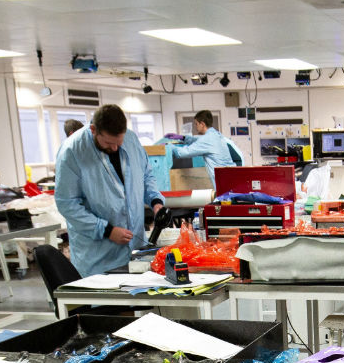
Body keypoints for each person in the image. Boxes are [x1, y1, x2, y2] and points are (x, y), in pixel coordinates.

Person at [54, 104, 164, 278]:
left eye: (118, 143)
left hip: (135, 249)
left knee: (139, 301)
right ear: (93, 130)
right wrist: (106, 230)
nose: (114, 148)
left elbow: (146, 176)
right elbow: (67, 204)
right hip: (98, 255)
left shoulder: (131, 139)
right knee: (105, 303)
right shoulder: (72, 152)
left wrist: (156, 202)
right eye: (108, 143)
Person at [169, 110, 237, 180]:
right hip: (232, 174)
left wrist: (170, 147)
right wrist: (183, 138)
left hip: (224, 179)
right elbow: (199, 141)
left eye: (196, 124)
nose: (195, 126)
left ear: (202, 124)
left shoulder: (207, 139)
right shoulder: (217, 135)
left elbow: (183, 153)